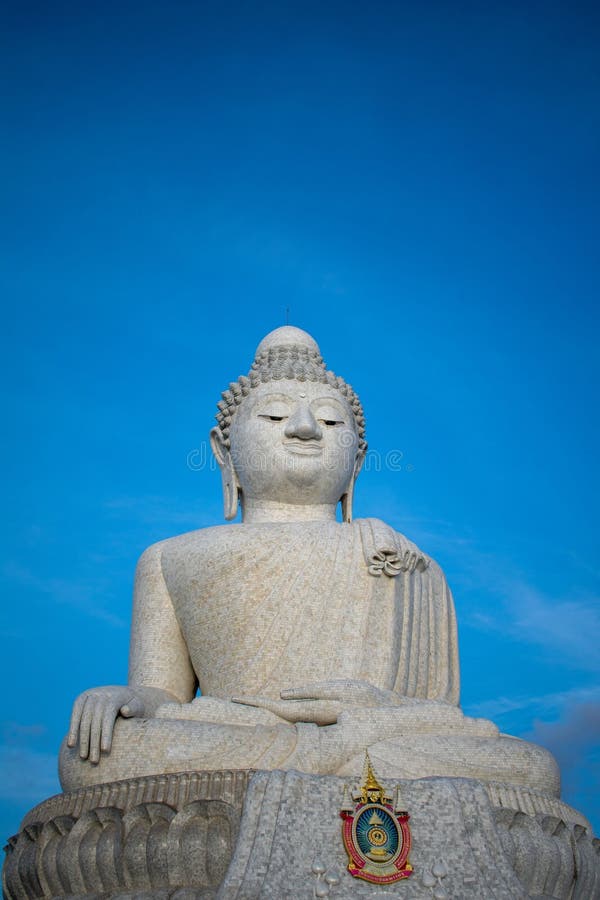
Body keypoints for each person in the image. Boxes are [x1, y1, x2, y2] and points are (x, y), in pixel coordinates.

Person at [60, 327, 558, 798]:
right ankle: (337, 760)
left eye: (330, 420)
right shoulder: (170, 558)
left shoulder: (408, 563)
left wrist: (375, 715)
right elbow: (162, 692)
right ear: (223, 451)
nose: (303, 429)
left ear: (357, 461)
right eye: (275, 416)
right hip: (244, 733)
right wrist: (126, 699)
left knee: (535, 768)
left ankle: (319, 760)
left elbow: (437, 714)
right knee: (93, 755)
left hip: (370, 736)